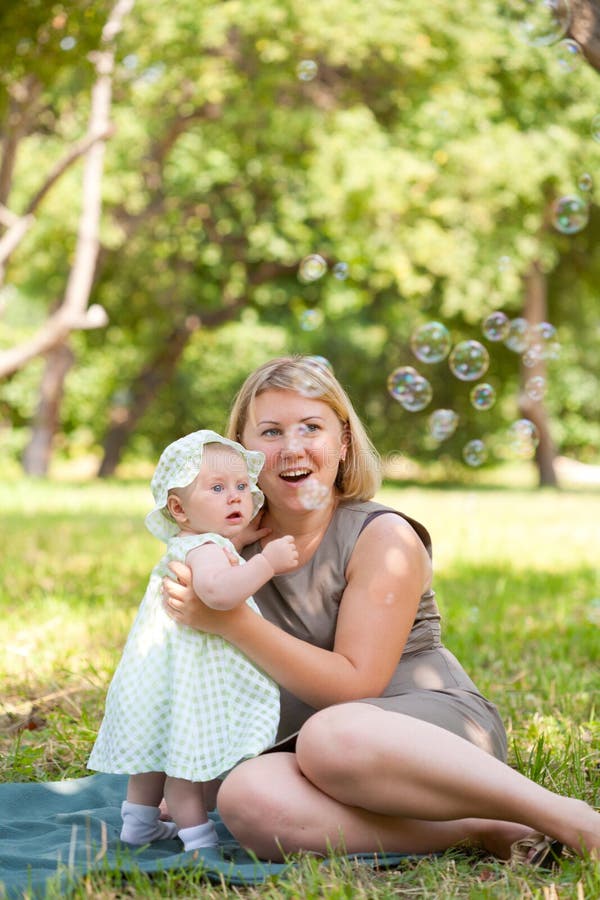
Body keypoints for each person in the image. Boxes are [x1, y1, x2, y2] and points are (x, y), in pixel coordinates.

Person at [163, 357, 600, 865]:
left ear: (343, 443)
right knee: (247, 798)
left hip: (429, 740)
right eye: (270, 431)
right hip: (313, 751)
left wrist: (229, 621)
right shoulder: (223, 553)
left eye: (311, 427)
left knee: (333, 735)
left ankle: (571, 819)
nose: (292, 447)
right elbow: (199, 675)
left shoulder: (381, 536)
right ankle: (485, 828)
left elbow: (354, 688)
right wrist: (189, 776)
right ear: (241, 452)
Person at [88, 429, 298, 851]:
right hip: (190, 679)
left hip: (158, 676)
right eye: (217, 488)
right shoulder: (204, 548)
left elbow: (214, 550)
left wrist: (238, 543)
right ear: (179, 509)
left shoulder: (194, 541)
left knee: (151, 757)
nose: (236, 497)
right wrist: (266, 564)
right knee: (185, 765)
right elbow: (219, 593)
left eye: (241, 486)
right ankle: (199, 840)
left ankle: (137, 826)